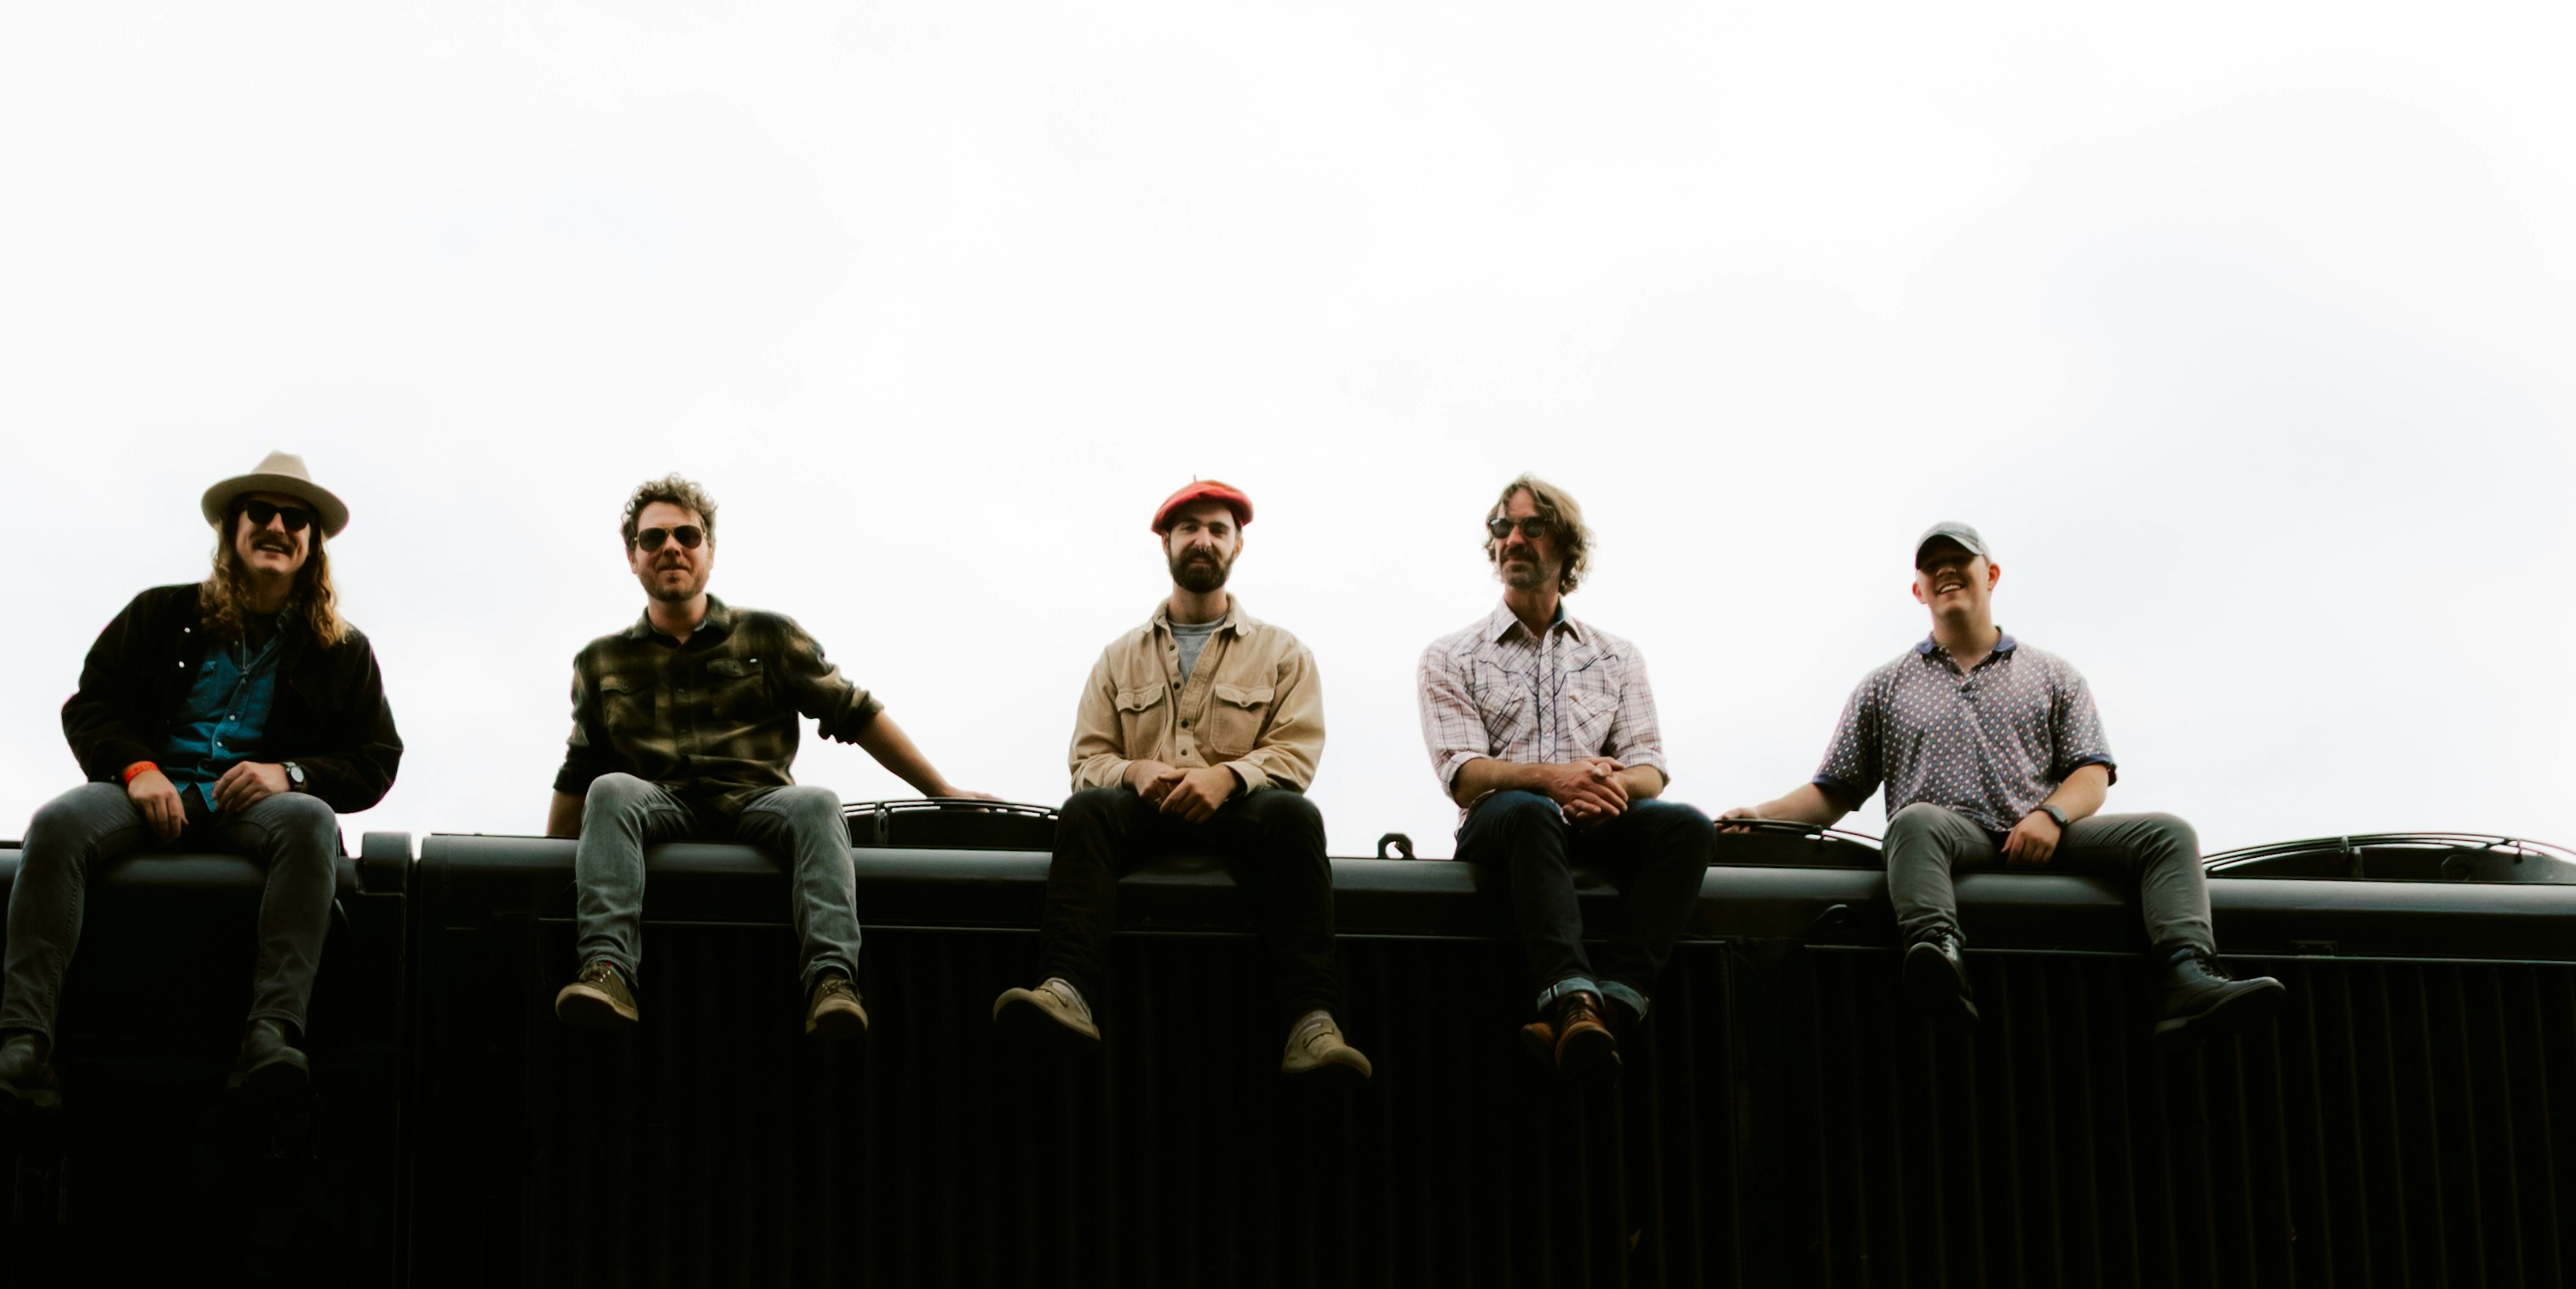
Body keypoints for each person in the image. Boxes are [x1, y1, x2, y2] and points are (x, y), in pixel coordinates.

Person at [0, 455, 402, 1112]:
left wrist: (290, 773)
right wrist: (138, 768)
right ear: (231, 528)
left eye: (295, 517)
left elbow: (377, 757)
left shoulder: (342, 650)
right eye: (261, 512)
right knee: (56, 823)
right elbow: (92, 704)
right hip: (146, 794)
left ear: (312, 542)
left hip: (251, 811)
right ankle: (26, 1046)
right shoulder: (160, 613)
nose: (277, 525)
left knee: (309, 820)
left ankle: (270, 1036)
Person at [1711, 522, 2279, 1039]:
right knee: (1912, 822)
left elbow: (2091, 771)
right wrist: (1759, 816)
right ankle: (1938, 959)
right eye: (1932, 566)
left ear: (1992, 574)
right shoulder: (1884, 685)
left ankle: (2186, 974)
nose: (1945, 571)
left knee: (2169, 833)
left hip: (2044, 835)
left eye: (1960, 559)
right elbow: (1833, 791)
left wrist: (2050, 815)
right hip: (1946, 841)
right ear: (1918, 591)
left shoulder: (2053, 673)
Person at [548, 474, 973, 1050]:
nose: (670, 547)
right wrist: (541, 871)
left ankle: (832, 981)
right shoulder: (600, 661)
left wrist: (941, 792)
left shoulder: (767, 636)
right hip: (658, 804)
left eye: (686, 534)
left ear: (709, 551)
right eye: (653, 539)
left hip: (758, 799)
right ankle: (609, 973)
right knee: (612, 788)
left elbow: (856, 712)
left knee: (818, 803)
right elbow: (580, 772)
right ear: (632, 557)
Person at [997, 474, 1367, 1084]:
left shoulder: (1283, 652)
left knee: (1296, 817)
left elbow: (1296, 751)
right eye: (1189, 528)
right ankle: (1065, 990)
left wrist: (1229, 777)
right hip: (1144, 814)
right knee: (1085, 813)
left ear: (1237, 546)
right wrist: (1136, 770)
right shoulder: (1118, 657)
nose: (1203, 540)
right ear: (1165, 543)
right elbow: (1088, 761)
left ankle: (1312, 1023)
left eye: (1218, 530)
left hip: (1241, 815)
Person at [1418, 476, 1716, 1073]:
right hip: (1501, 826)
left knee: (1687, 828)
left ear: (1567, 546)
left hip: (1591, 818)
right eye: (1503, 527)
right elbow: (1465, 776)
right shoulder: (1451, 654)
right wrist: (1556, 782)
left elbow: (1649, 768)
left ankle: (1619, 1001)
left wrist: (1603, 787)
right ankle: (1572, 996)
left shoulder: (1616, 655)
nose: (1514, 538)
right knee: (1529, 811)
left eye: (1532, 526)